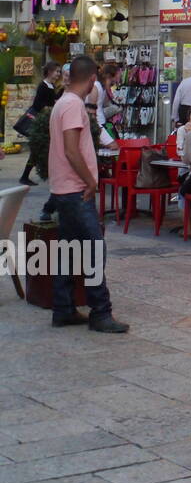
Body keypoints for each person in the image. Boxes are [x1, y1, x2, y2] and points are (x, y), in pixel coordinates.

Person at [47, 55, 128, 333]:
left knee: (69, 250)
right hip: (75, 189)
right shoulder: (72, 106)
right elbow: (71, 149)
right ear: (93, 79)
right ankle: (100, 313)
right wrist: (89, 182)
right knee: (94, 249)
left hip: (64, 188)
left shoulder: (64, 103)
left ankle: (64, 308)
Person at [20, 62, 62, 186]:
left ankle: (47, 174)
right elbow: (37, 104)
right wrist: (48, 110)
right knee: (37, 150)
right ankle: (25, 176)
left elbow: (53, 100)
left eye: (59, 72)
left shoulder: (51, 85)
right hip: (41, 122)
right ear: (49, 71)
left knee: (41, 150)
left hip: (46, 121)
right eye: (57, 71)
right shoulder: (43, 86)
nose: (58, 74)